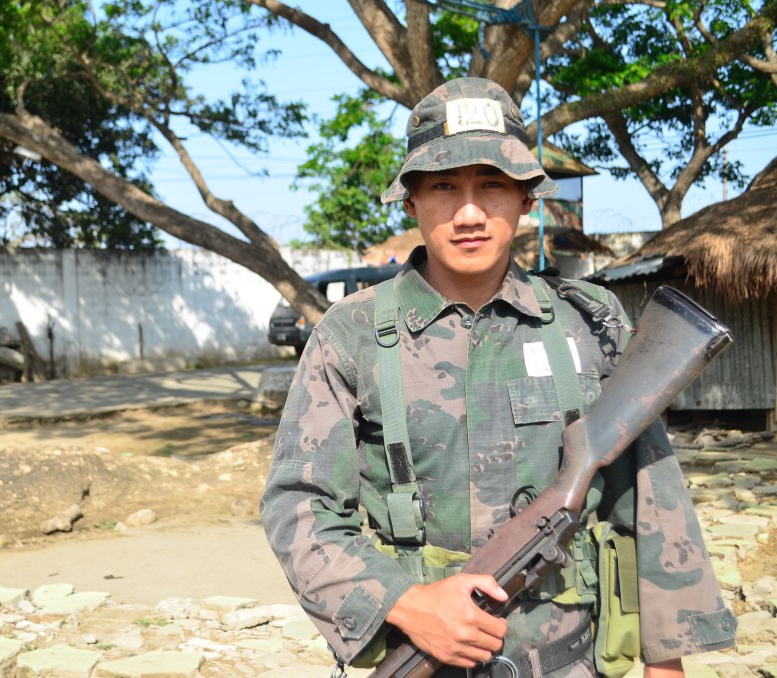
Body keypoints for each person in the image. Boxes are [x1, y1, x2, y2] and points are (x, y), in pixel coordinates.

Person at [260, 77, 736, 678]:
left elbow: (649, 496)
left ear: (526, 199)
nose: (468, 213)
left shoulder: (589, 323)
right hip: (425, 656)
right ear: (410, 201)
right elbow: (298, 504)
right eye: (442, 187)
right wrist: (406, 602)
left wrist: (665, 661)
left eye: (492, 185)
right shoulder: (349, 335)